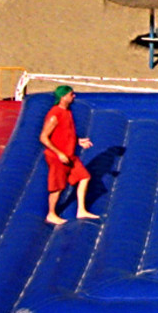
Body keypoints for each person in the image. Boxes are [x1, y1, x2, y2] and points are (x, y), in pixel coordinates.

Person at [40, 85, 99, 225]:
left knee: (84, 177)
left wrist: (78, 140)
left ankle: (81, 210)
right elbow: (43, 137)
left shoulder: (67, 112)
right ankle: (51, 213)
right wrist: (59, 153)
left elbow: (65, 132)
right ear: (63, 97)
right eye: (71, 94)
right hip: (57, 157)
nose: (74, 96)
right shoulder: (55, 115)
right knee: (58, 186)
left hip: (70, 155)